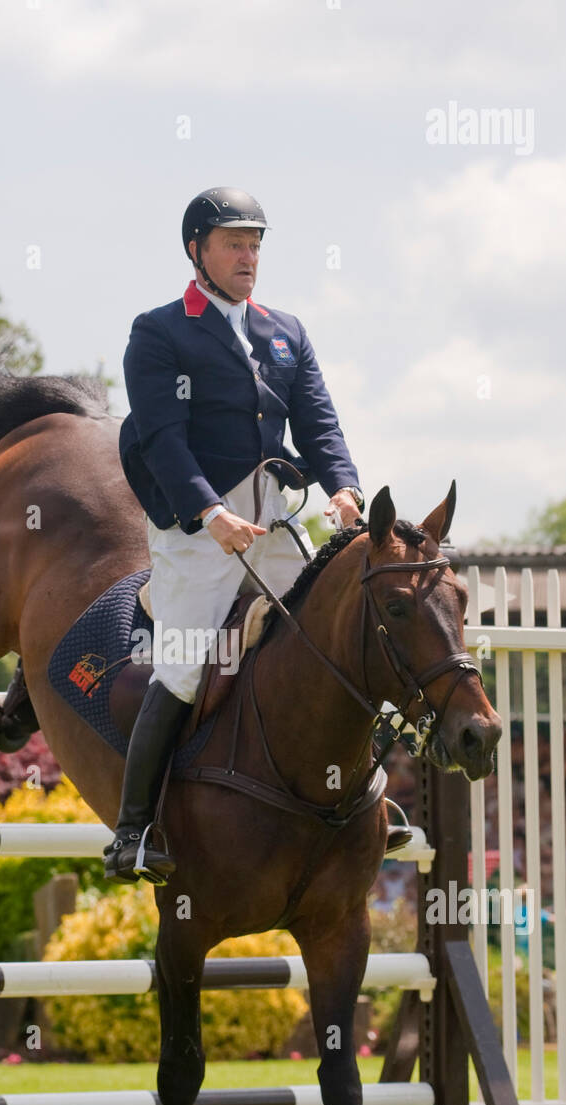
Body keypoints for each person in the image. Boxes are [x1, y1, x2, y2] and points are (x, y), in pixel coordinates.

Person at [105, 186, 378, 883]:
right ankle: (132, 832)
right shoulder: (158, 331)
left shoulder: (284, 329)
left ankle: (360, 798)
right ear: (196, 249)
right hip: (196, 525)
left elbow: (317, 423)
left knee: (327, 636)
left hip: (271, 512)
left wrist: (342, 487)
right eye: (233, 243)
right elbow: (164, 439)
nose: (248, 256)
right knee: (186, 661)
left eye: (254, 243)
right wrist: (210, 514)